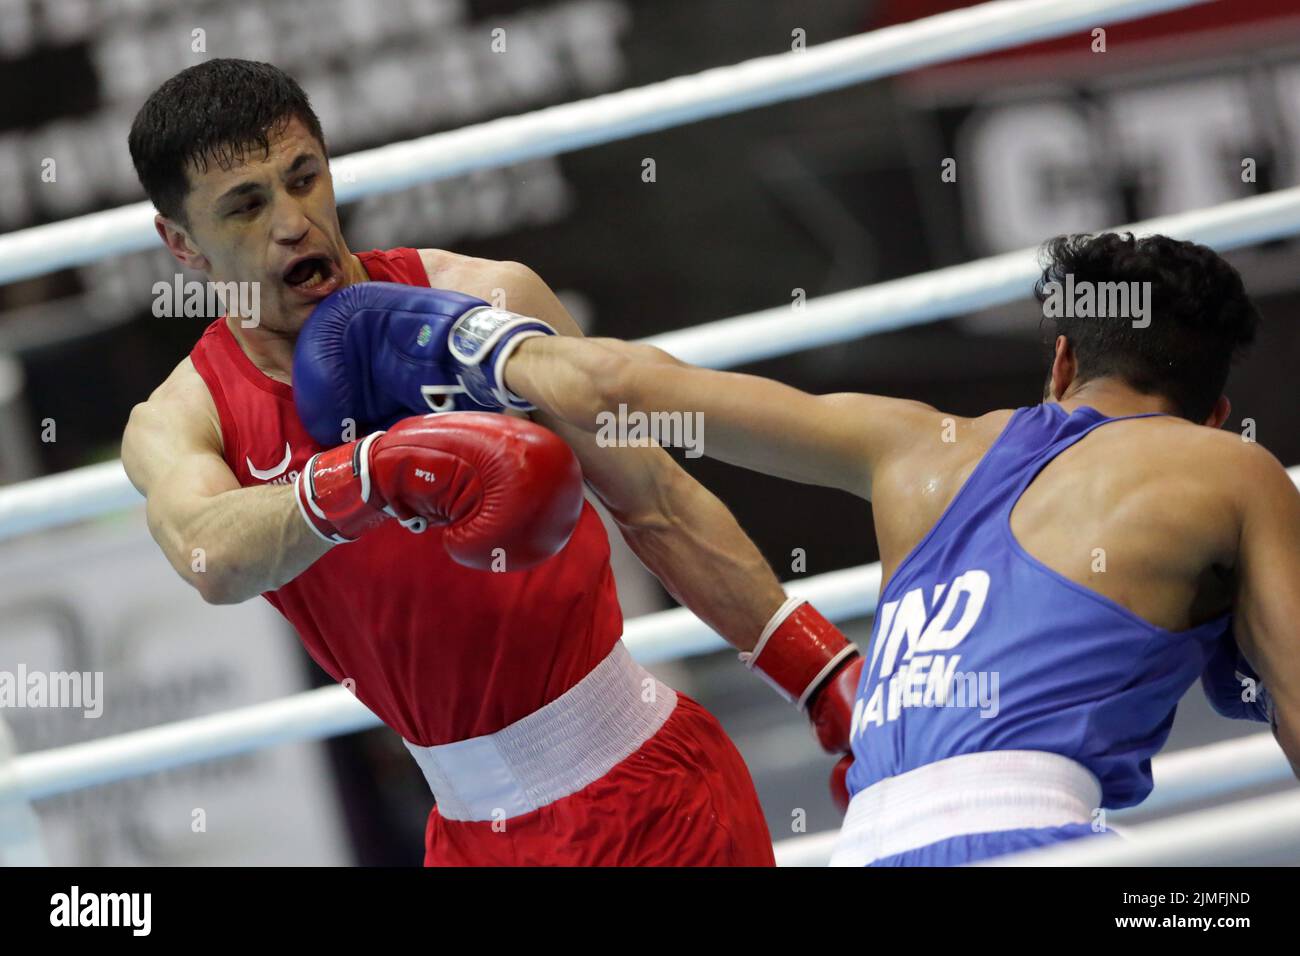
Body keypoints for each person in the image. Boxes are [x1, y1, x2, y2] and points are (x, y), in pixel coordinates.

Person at [119, 59, 860, 866]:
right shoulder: (180, 417)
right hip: (472, 840)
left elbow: (658, 504)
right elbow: (211, 555)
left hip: (650, 794)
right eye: (248, 206)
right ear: (182, 245)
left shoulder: (484, 302)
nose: (295, 222)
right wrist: (367, 476)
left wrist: (822, 677)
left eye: (305, 178)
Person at [484, 231, 1300, 865]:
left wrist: (468, 340)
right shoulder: (1230, 471)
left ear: (1062, 361)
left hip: (866, 848)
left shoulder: (912, 447)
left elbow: (625, 393)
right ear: (1217, 412)